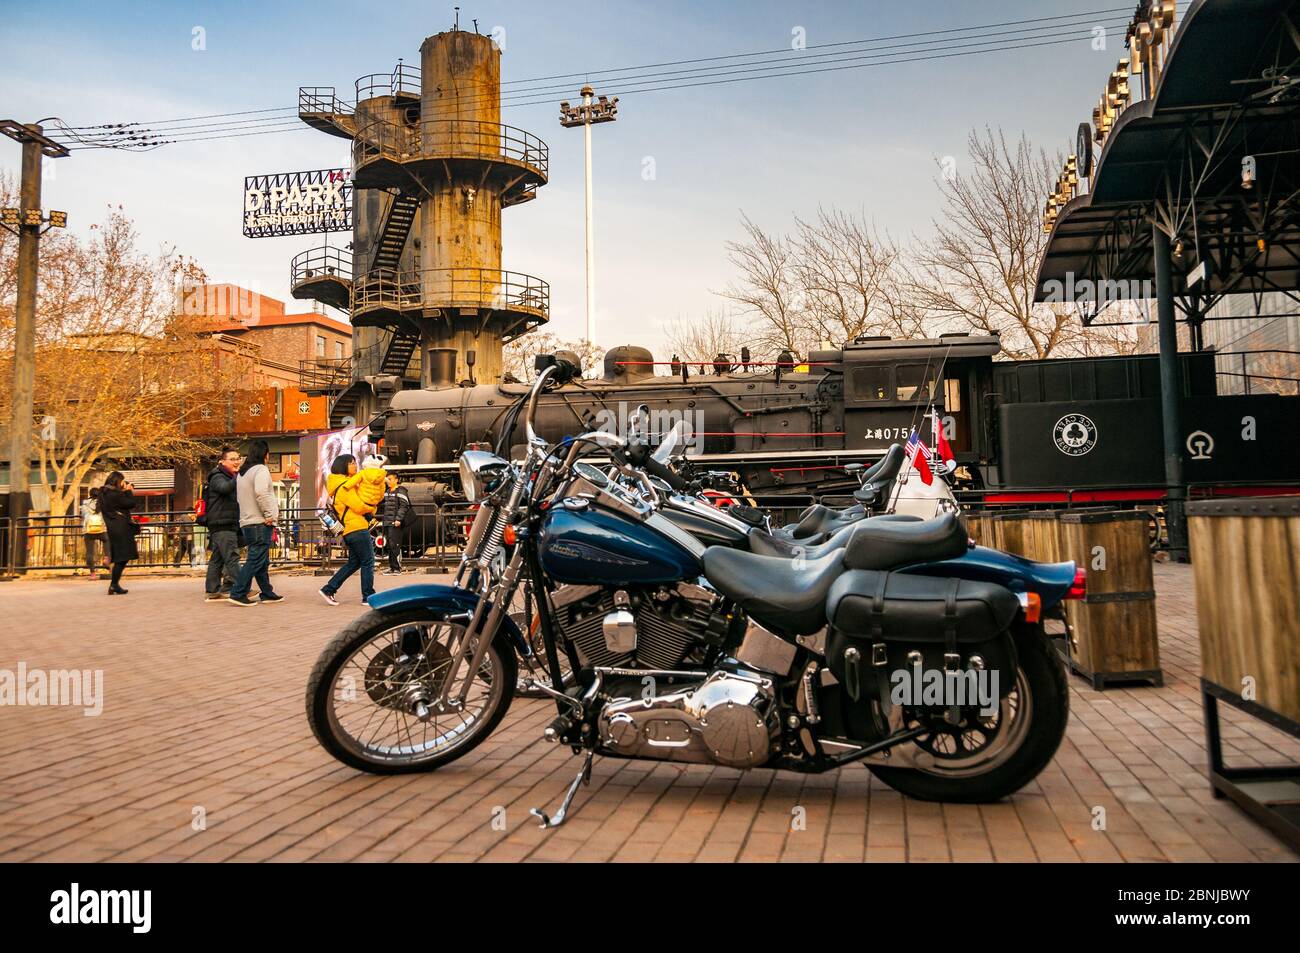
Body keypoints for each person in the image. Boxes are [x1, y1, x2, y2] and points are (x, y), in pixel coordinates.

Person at [227, 439, 283, 606]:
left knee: (261, 559)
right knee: (256, 559)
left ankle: (267, 592)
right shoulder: (261, 470)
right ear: (265, 455)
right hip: (260, 521)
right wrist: (270, 514)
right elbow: (261, 493)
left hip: (247, 521)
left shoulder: (242, 473)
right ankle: (238, 592)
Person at [319, 453, 379, 606]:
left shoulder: (339, 485)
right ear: (343, 466)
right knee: (368, 561)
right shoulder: (345, 486)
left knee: (354, 563)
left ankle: (329, 589)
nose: (355, 465)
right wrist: (371, 507)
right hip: (357, 528)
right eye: (351, 463)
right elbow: (358, 506)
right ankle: (368, 596)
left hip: (350, 530)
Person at [203, 447, 242, 601]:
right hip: (222, 522)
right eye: (232, 459)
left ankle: (212, 590)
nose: (237, 461)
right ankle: (242, 588)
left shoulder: (229, 476)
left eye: (238, 458)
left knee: (217, 559)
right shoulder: (217, 476)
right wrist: (238, 476)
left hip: (226, 521)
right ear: (222, 461)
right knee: (232, 556)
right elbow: (225, 489)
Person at [97, 472, 139, 595]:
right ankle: (114, 585)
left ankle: (114, 585)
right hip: (121, 528)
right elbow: (131, 503)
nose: (123, 484)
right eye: (122, 481)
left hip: (112, 527)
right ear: (117, 481)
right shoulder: (114, 494)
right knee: (123, 557)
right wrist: (128, 491)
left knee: (121, 557)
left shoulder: (103, 493)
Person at [380, 472, 415, 574]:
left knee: (395, 545)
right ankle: (392, 567)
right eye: (387, 479)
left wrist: (398, 519)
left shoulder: (401, 491)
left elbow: (404, 506)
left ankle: (397, 568)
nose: (388, 481)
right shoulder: (387, 491)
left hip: (395, 522)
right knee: (390, 545)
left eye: (390, 479)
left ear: (396, 480)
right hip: (387, 522)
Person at [80, 487, 108, 580]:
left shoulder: (85, 503)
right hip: (101, 528)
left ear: (90, 494)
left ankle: (92, 574)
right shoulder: (103, 502)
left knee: (90, 552)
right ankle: (107, 558)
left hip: (89, 530)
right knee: (107, 542)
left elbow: (84, 515)